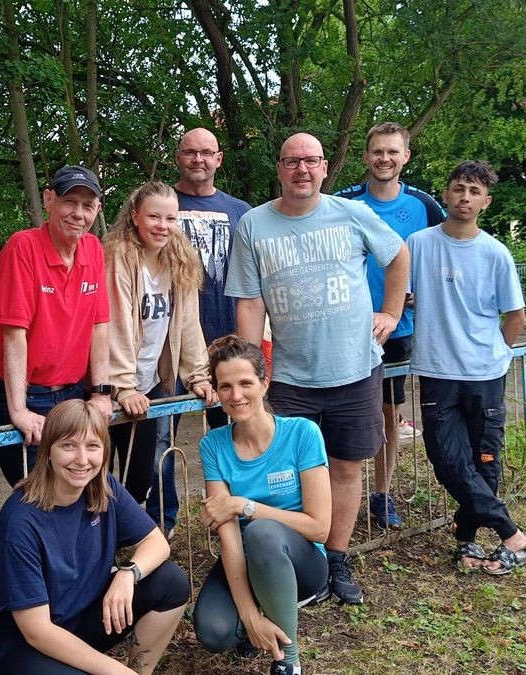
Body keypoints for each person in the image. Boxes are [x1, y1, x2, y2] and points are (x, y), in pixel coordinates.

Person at [226, 132, 409, 605]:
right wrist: (252, 374)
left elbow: (398, 256)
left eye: (311, 161)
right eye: (292, 162)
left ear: (325, 168)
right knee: (283, 473)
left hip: (355, 370)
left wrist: (390, 312)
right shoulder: (253, 225)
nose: (302, 170)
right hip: (288, 376)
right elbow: (249, 301)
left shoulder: (352, 213)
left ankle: (337, 559)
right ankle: (290, 559)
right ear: (280, 169)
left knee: (347, 469)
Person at [0, 400, 190, 675]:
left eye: (92, 446)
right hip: (18, 644)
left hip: (77, 618)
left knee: (170, 582)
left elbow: (156, 543)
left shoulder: (103, 487)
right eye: (68, 446)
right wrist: (114, 670)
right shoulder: (19, 522)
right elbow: (37, 631)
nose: (82, 459)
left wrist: (127, 574)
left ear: (104, 451)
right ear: (47, 452)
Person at [406, 160, 526, 575]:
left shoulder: (496, 253)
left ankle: (467, 542)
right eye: (458, 188)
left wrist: (497, 352)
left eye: (474, 192)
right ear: (445, 193)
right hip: (437, 370)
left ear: (486, 202)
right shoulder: (419, 243)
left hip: (485, 373)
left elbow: (515, 315)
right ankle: (513, 535)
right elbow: (403, 292)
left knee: (484, 461)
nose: (465, 197)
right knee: (445, 457)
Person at [193, 335, 331, 675]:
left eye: (245, 383)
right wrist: (249, 616)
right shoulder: (213, 445)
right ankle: (261, 614)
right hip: (244, 555)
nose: (236, 395)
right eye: (225, 386)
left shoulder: (302, 433)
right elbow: (228, 536)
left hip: (301, 562)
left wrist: (245, 506)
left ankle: (288, 662)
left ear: (264, 383)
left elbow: (319, 527)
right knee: (213, 631)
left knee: (261, 532)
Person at [335, 122, 445, 531]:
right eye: (377, 151)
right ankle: (333, 494)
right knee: (340, 413)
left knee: (387, 413)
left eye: (392, 152)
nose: (384, 158)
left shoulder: (424, 205)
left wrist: (424, 291)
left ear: (405, 157)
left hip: (398, 330)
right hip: (345, 328)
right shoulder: (343, 202)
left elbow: (446, 249)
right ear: (366, 157)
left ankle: (382, 493)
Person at [145, 128, 254, 537]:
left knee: (235, 432)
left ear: (219, 159)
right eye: (190, 152)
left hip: (229, 344)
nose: (198, 160)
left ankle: (238, 510)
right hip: (171, 348)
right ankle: (160, 519)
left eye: (207, 153)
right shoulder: (161, 206)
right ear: (178, 157)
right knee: (161, 435)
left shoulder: (241, 210)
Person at [0, 166, 114, 486]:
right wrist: (18, 410)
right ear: (48, 199)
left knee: (75, 488)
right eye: (70, 201)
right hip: (25, 392)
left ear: (97, 210)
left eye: (87, 205)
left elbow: (99, 325)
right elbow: (14, 334)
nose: (78, 214)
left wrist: (101, 392)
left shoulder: (93, 249)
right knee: (36, 496)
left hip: (70, 393)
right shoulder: (22, 247)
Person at [103, 180, 216, 507]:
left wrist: (197, 375)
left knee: (139, 478)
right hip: (108, 384)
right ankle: (95, 546)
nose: (162, 226)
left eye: (170, 219)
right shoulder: (119, 255)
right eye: (154, 217)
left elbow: (187, 323)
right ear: (136, 215)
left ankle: (124, 536)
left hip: (151, 383)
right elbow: (116, 323)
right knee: (97, 471)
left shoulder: (179, 258)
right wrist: (122, 387)